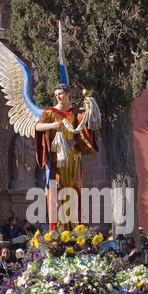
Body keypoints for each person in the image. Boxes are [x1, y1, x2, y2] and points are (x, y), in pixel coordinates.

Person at [34, 83, 100, 229]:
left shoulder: (75, 113)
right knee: (57, 190)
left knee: (73, 189)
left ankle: (74, 228)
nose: (58, 97)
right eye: (56, 94)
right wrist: (52, 126)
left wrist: (90, 105)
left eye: (61, 94)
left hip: (74, 157)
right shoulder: (49, 113)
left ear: (69, 94)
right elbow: (37, 126)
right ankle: (57, 229)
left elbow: (89, 121)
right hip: (57, 158)